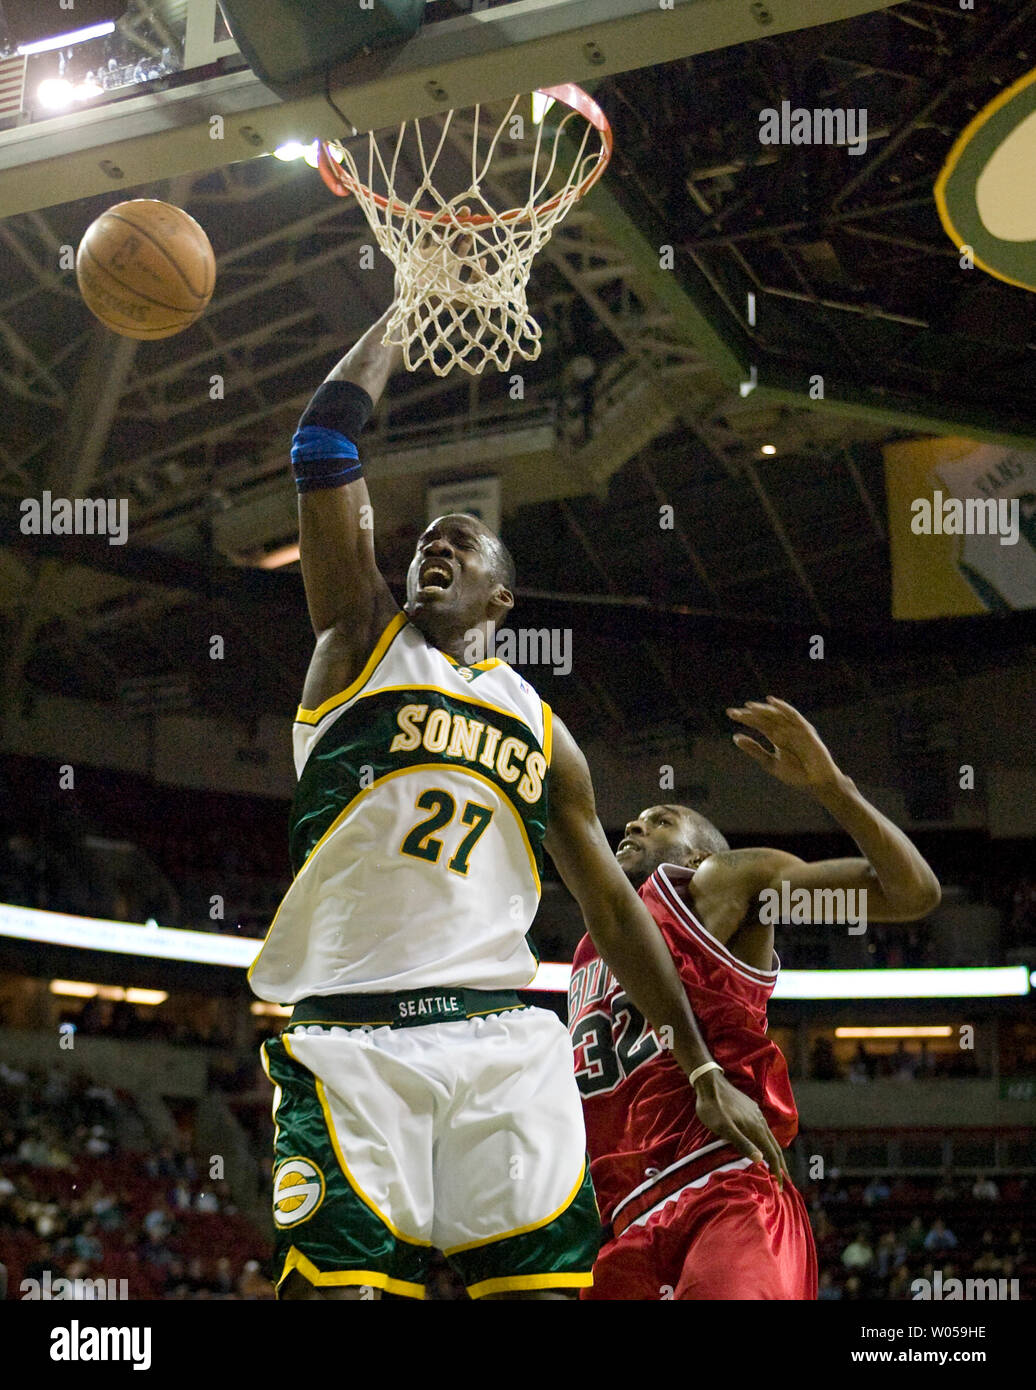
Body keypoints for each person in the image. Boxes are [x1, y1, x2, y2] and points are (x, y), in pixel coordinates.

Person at [248, 283, 784, 1302]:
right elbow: (322, 446)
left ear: (502, 596)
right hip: (353, 1039)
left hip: (500, 1041)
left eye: (460, 539)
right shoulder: (359, 638)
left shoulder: (546, 733)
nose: (434, 547)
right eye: (424, 541)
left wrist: (700, 1061)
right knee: (340, 1294)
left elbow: (614, 910)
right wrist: (405, 312)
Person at [571, 695, 940, 1300]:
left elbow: (911, 894)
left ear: (698, 854)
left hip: (725, 1188)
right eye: (635, 817)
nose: (635, 824)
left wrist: (833, 786)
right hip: (627, 1223)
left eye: (661, 818)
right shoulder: (591, 947)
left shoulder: (721, 884)